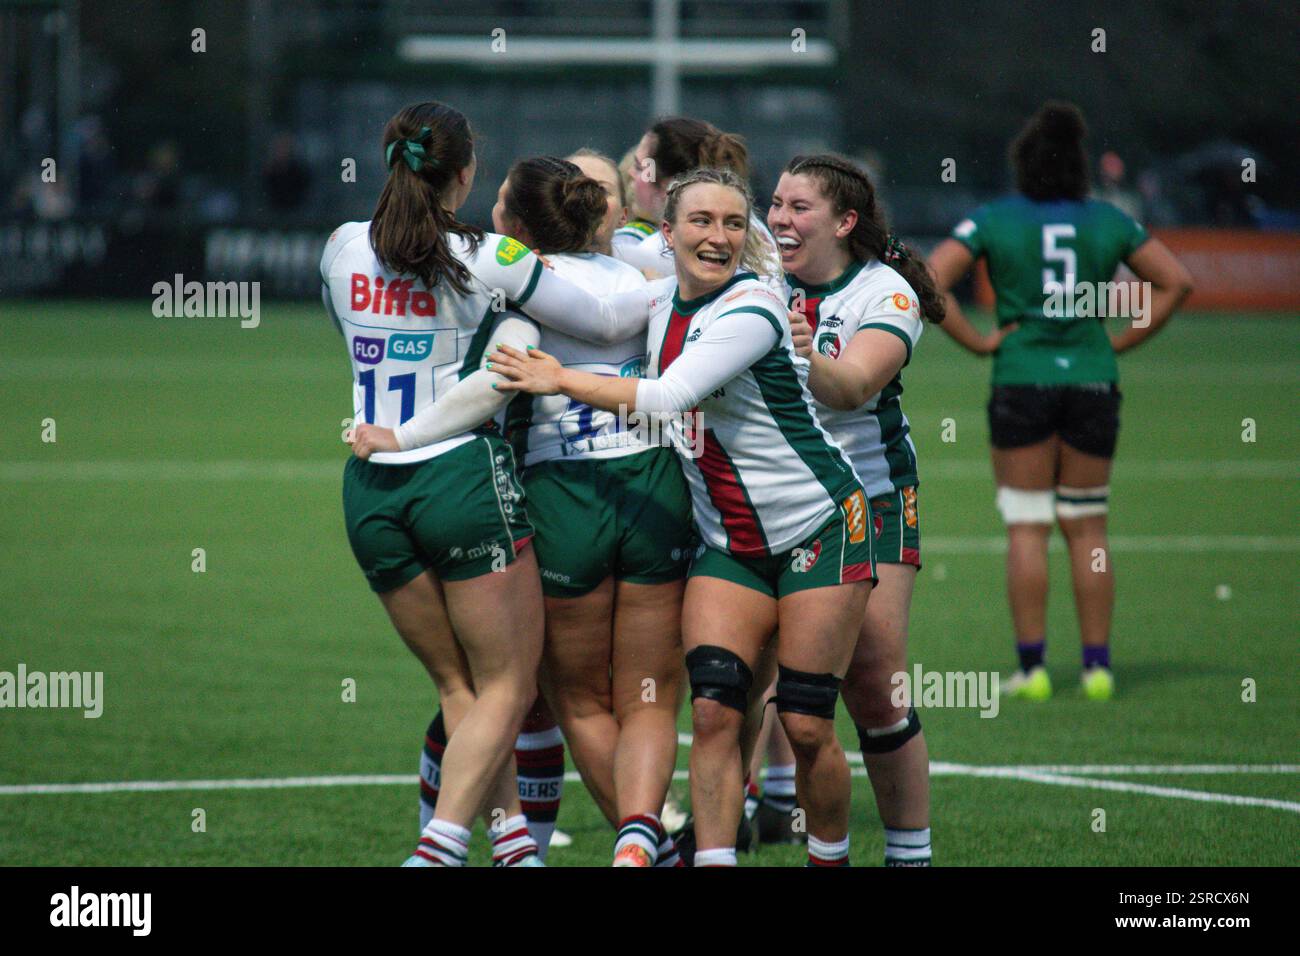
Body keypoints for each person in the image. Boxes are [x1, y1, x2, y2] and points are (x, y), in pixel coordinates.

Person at [489, 167, 874, 868]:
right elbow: (600, 309)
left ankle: (831, 857)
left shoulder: (754, 307)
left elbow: (666, 396)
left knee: (808, 722)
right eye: (700, 221)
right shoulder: (658, 296)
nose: (718, 236)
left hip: (818, 524)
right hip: (728, 543)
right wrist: (515, 265)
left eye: (732, 223)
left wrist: (558, 378)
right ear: (667, 235)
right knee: (714, 710)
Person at [330, 101, 650, 867]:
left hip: (369, 491)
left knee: (460, 687)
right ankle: (439, 850)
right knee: (509, 685)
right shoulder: (492, 259)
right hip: (459, 481)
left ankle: (510, 841)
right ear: (467, 175)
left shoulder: (340, 248)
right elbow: (605, 321)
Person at [927, 101, 1193, 702]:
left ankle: (1034, 668)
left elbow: (929, 279)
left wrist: (977, 343)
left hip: (1023, 378)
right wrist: (1124, 339)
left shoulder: (995, 218)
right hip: (1093, 381)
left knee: (1027, 525)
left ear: (1023, 165)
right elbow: (1178, 281)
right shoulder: (1108, 220)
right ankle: (1098, 667)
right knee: (1088, 525)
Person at [769, 152, 944, 865]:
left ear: (845, 222)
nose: (779, 218)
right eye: (775, 203)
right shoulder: (754, 276)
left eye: (798, 208)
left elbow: (851, 389)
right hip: (767, 496)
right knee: (747, 688)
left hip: (867, 500)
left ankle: (909, 853)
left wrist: (802, 351)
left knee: (874, 685)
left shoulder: (885, 295)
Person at [613, 117, 781, 281]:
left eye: (640, 167)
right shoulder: (752, 225)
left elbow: (617, 257)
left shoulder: (668, 245)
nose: (630, 174)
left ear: (669, 184)